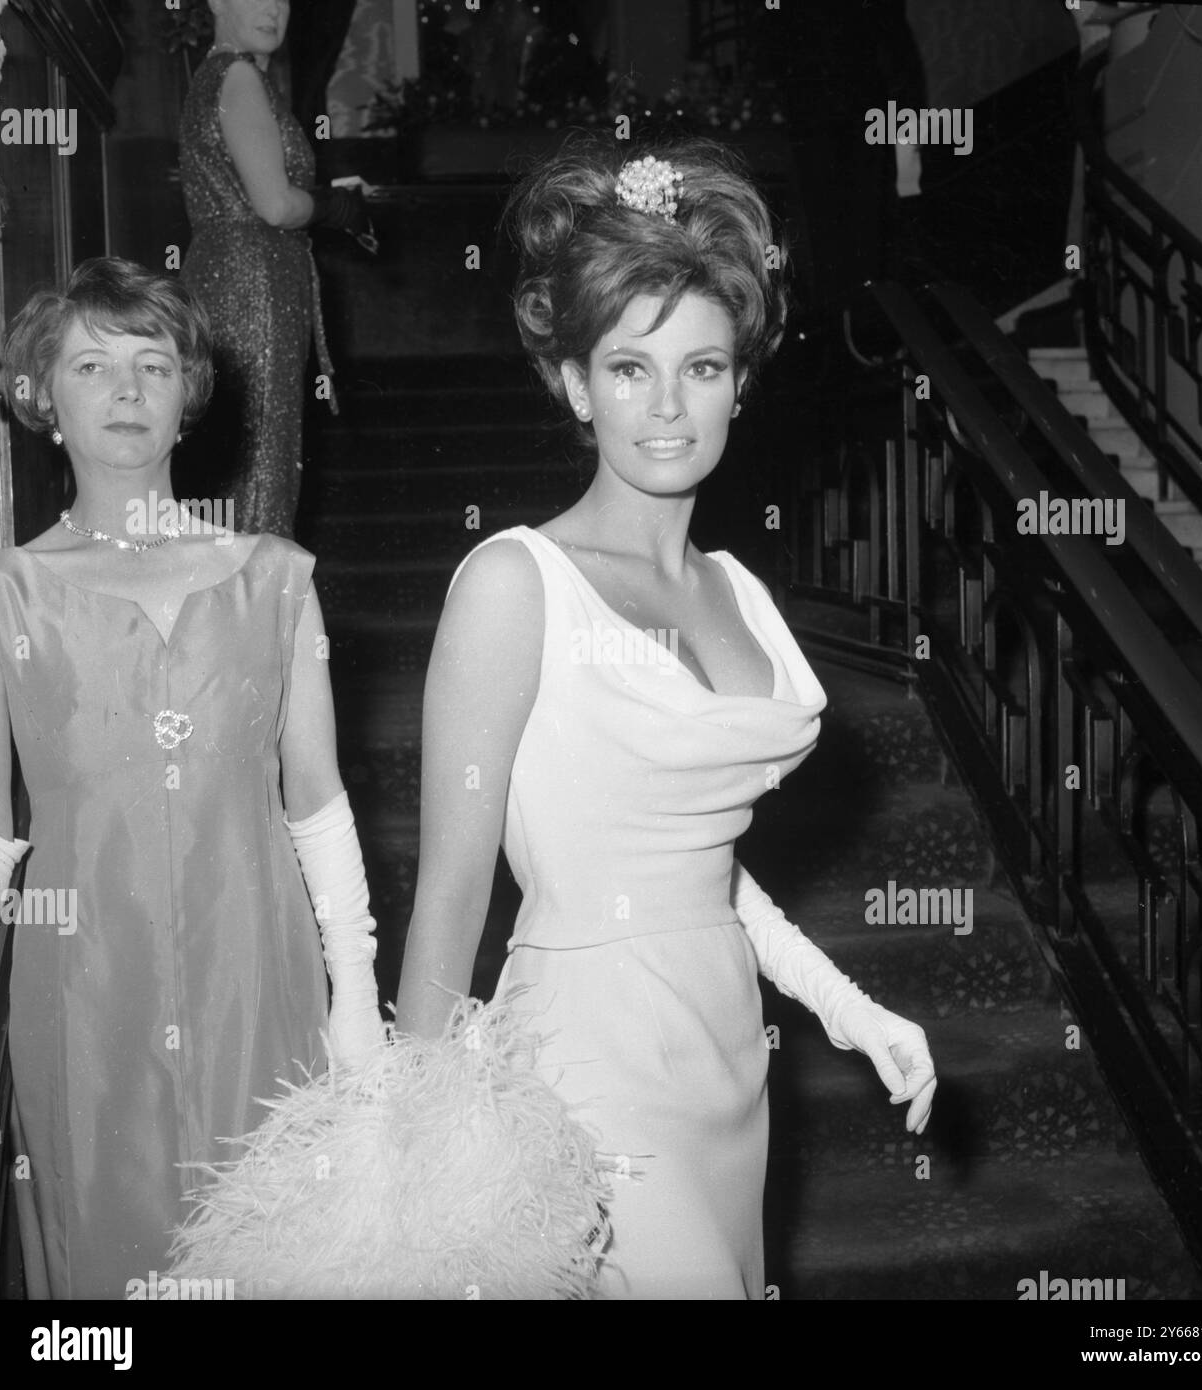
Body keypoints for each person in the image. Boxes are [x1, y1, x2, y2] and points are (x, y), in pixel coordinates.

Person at [394, 139, 938, 1298]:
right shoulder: (514, 584)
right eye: (628, 368)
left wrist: (850, 1009)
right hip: (585, 1057)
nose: (665, 407)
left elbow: (705, 869)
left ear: (739, 381)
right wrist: (412, 1156)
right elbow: (450, 891)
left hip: (726, 1055)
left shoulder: (737, 590)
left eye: (700, 367)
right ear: (574, 383)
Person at [0, 257, 383, 1298]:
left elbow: (318, 804)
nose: (126, 390)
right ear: (44, 398)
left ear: (187, 395)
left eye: (153, 365)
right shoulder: (2, 594)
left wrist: (356, 995)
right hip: (83, 984)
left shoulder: (276, 579)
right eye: (92, 366)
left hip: (258, 974)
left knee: (275, 1250)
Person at [179, 0, 371, 537]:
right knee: (262, 465)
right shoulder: (239, 76)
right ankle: (256, 588)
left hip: (229, 277)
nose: (272, 10)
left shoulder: (215, 74)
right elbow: (276, 206)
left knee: (236, 466)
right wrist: (337, 208)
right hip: (255, 287)